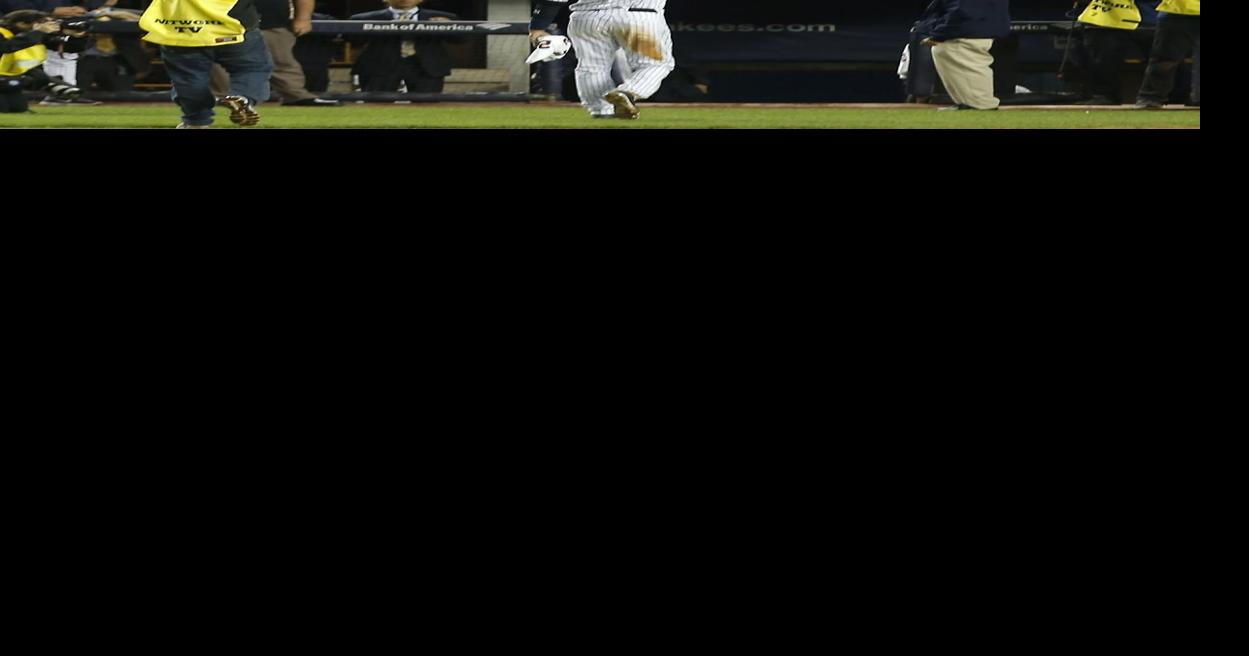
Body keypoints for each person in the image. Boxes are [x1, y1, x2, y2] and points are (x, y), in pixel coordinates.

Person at [137, 0, 275, 128]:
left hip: (179, 28)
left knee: (188, 79)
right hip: (231, 27)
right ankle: (243, 97)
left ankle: (196, 122)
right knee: (252, 68)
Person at [529, 0, 675, 120]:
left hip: (587, 17)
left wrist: (537, 27)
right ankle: (628, 92)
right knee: (656, 64)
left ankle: (600, 111)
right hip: (639, 15)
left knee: (591, 67)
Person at [211, 0, 339, 106]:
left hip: (272, 20)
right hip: (222, 20)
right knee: (222, 63)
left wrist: (303, 18)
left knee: (283, 62)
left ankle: (297, 96)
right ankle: (226, 99)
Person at [917, 0, 1012, 111]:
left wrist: (939, 32)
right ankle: (968, 104)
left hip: (967, 28)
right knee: (944, 50)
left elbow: (962, 11)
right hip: (979, 25)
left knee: (955, 49)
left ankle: (980, 105)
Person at [349, 0, 459, 94]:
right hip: (379, 67)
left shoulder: (444, 17)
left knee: (427, 107)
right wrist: (378, 28)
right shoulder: (364, 18)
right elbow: (353, 41)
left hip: (426, 68)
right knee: (375, 106)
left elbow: (459, 40)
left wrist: (449, 27)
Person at [1, 8, 85, 112]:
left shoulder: (29, 36)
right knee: (3, 109)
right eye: (40, 23)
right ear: (21, 24)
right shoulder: (3, 33)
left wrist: (70, 34)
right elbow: (6, 47)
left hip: (6, 80)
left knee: (17, 109)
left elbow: (69, 46)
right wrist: (38, 32)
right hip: (5, 80)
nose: (45, 26)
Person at [1075, 0, 1157, 105]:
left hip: (1149, 15)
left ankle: (1171, 96)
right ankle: (1104, 95)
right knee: (1101, 56)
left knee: (1165, 58)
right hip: (1106, 17)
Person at [1135, 0, 1198, 109]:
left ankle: (1150, 98)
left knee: (1164, 60)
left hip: (1177, 10)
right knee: (1164, 59)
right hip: (1178, 10)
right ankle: (1150, 98)